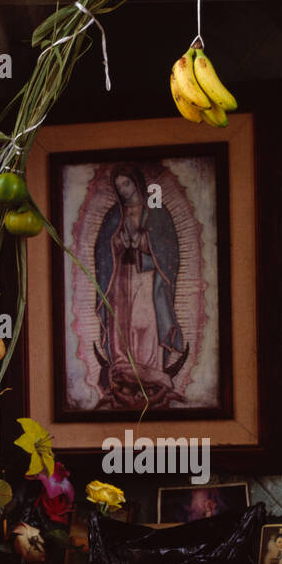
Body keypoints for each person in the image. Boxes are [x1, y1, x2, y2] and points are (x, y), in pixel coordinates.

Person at [93, 164, 186, 410]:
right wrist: (118, 242)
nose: (124, 191)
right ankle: (123, 366)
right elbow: (102, 249)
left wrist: (144, 241)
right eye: (119, 186)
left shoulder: (156, 212)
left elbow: (169, 248)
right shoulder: (114, 215)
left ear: (137, 183)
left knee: (144, 322)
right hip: (121, 277)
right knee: (121, 323)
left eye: (127, 184)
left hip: (146, 277)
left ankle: (149, 370)